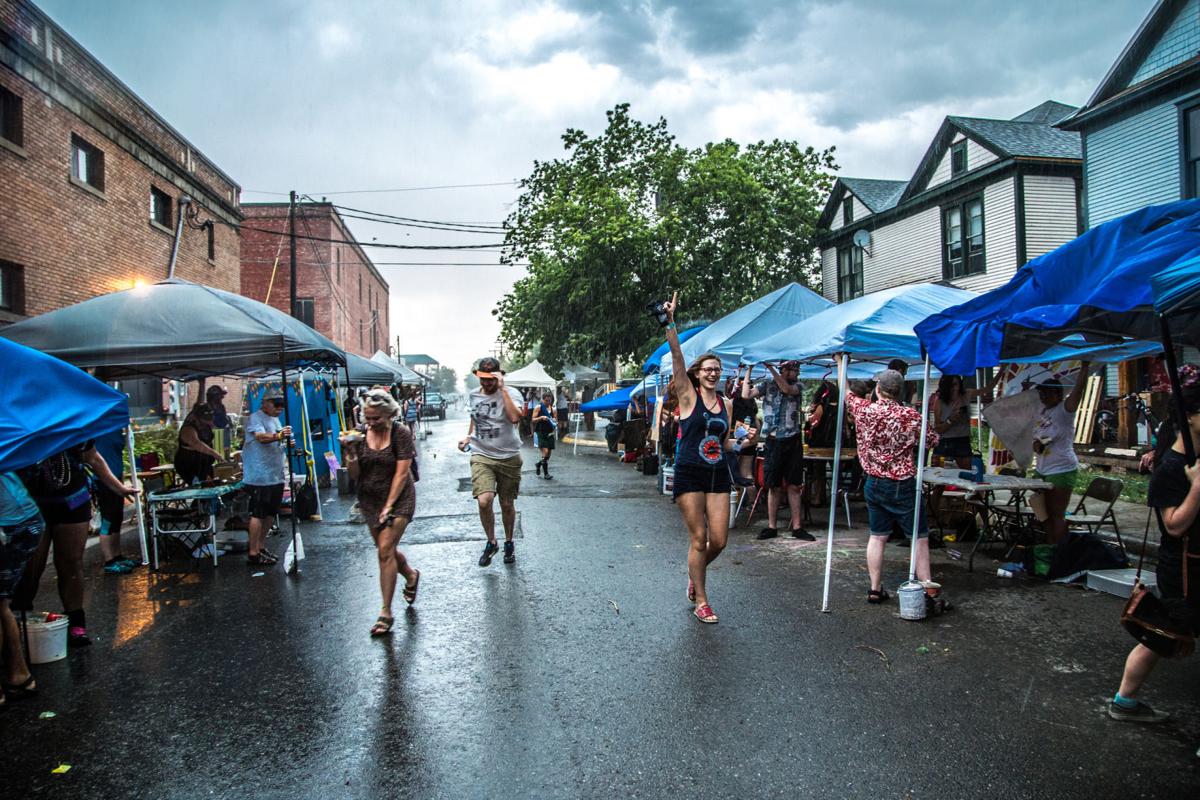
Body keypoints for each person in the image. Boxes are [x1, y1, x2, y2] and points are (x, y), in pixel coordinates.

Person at [1108, 366, 1200, 723]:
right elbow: (1174, 526)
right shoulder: (1171, 469)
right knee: (1162, 636)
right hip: (1184, 570)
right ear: (1190, 417)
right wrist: (1197, 488)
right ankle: (1124, 701)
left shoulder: (1191, 461)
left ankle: (1125, 700)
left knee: (1163, 637)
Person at [663, 294, 757, 624]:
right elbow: (677, 358)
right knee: (698, 539)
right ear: (698, 373)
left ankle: (695, 574)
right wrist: (671, 323)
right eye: (708, 369)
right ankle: (702, 599)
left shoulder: (727, 405)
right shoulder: (687, 396)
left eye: (717, 369)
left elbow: (725, 441)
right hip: (690, 473)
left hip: (718, 474)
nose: (714, 373)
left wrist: (744, 441)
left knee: (719, 539)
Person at [16, 441, 136, 646]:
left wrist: (119, 488)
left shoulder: (73, 419)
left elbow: (93, 457)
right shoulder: (24, 419)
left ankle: (76, 623)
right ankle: (19, 621)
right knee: (31, 566)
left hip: (73, 499)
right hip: (31, 502)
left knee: (71, 563)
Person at [842, 366, 939, 605]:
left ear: (878, 389)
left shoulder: (865, 410)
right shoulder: (911, 416)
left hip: (873, 482)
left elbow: (847, 395)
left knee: (877, 536)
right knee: (918, 537)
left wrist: (840, 365)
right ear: (899, 392)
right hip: (901, 483)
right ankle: (929, 590)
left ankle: (875, 588)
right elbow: (932, 440)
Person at [340, 389, 420, 637]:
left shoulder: (401, 433)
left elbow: (401, 473)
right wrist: (351, 453)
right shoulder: (360, 435)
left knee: (385, 550)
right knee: (386, 551)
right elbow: (354, 476)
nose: (371, 423)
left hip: (399, 497)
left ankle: (385, 612)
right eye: (367, 418)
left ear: (389, 414)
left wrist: (389, 506)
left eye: (376, 418)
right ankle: (410, 574)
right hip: (369, 499)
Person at [460, 357, 524, 567]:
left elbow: (515, 418)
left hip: (509, 457)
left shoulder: (512, 393)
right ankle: (491, 541)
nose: (486, 383)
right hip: (482, 455)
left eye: (490, 379)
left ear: (499, 376)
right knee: (484, 500)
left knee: (507, 504)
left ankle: (508, 542)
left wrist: (503, 390)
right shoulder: (474, 395)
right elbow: (476, 419)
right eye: (482, 379)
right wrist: (468, 437)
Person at [743, 361, 813, 540]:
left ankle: (797, 527)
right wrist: (749, 370)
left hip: (792, 440)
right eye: (793, 369)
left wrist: (770, 368)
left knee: (794, 484)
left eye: (797, 369)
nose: (796, 372)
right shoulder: (767, 385)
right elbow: (746, 395)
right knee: (773, 485)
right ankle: (771, 526)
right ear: (784, 370)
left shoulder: (797, 385)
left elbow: (786, 390)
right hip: (773, 441)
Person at [1032, 364, 1090, 545]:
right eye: (1042, 394)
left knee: (1056, 514)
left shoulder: (1065, 410)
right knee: (1042, 512)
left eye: (1048, 394)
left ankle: (1058, 551)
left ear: (1058, 395)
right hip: (1042, 468)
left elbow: (1078, 392)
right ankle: (1049, 546)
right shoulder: (1043, 412)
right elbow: (1039, 439)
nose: (1044, 398)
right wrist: (1037, 444)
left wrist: (1084, 368)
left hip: (1061, 469)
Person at [0, 472, 43, 708]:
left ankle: (17, 677)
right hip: (22, 518)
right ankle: (20, 675)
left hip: (9, 523)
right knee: (1, 604)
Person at [242, 396, 292, 566]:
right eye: (276, 404)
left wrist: (286, 440)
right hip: (259, 476)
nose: (280, 408)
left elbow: (277, 439)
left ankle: (261, 546)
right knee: (258, 513)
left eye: (282, 405)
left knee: (271, 512)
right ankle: (253, 552)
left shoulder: (275, 418)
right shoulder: (255, 418)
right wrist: (279, 435)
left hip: (275, 474)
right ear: (265, 403)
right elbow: (261, 437)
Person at [93, 427, 139, 575]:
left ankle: (117, 556)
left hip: (117, 476)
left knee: (117, 517)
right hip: (103, 480)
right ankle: (109, 561)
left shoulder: (117, 429)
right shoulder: (101, 427)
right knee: (108, 518)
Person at [174, 403, 223, 487]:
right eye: (205, 420)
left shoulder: (207, 426)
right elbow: (196, 444)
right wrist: (215, 454)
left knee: (215, 484)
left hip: (204, 464)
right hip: (188, 465)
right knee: (201, 487)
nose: (209, 422)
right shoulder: (188, 429)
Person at [731, 372, 760, 485]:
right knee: (747, 473)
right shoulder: (752, 402)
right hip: (750, 438)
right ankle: (750, 502)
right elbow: (757, 425)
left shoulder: (732, 402)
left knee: (733, 471)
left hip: (736, 439)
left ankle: (737, 501)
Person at [532, 391, 557, 479]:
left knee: (548, 455)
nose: (548, 402)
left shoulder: (553, 409)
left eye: (549, 400)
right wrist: (541, 417)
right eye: (546, 400)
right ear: (543, 400)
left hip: (549, 433)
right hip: (540, 432)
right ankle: (546, 474)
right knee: (545, 452)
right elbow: (533, 420)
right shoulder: (538, 408)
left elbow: (555, 420)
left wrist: (554, 422)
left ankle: (538, 464)